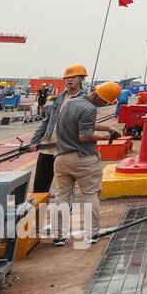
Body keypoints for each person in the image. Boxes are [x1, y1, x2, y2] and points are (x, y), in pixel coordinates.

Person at [50, 79, 122, 246]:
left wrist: (107, 128)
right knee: (90, 195)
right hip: (83, 159)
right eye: (105, 102)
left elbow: (82, 124)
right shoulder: (90, 108)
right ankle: (92, 233)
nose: (103, 105)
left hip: (61, 158)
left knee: (62, 197)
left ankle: (59, 236)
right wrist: (104, 137)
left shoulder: (71, 102)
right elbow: (84, 136)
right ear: (99, 97)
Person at [32, 66, 90, 199]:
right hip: (48, 146)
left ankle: (63, 212)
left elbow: (86, 126)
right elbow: (47, 120)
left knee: (64, 188)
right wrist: (35, 139)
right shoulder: (60, 97)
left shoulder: (85, 99)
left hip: (67, 148)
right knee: (40, 186)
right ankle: (38, 211)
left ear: (82, 79)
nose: (69, 80)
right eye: (67, 77)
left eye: (73, 77)